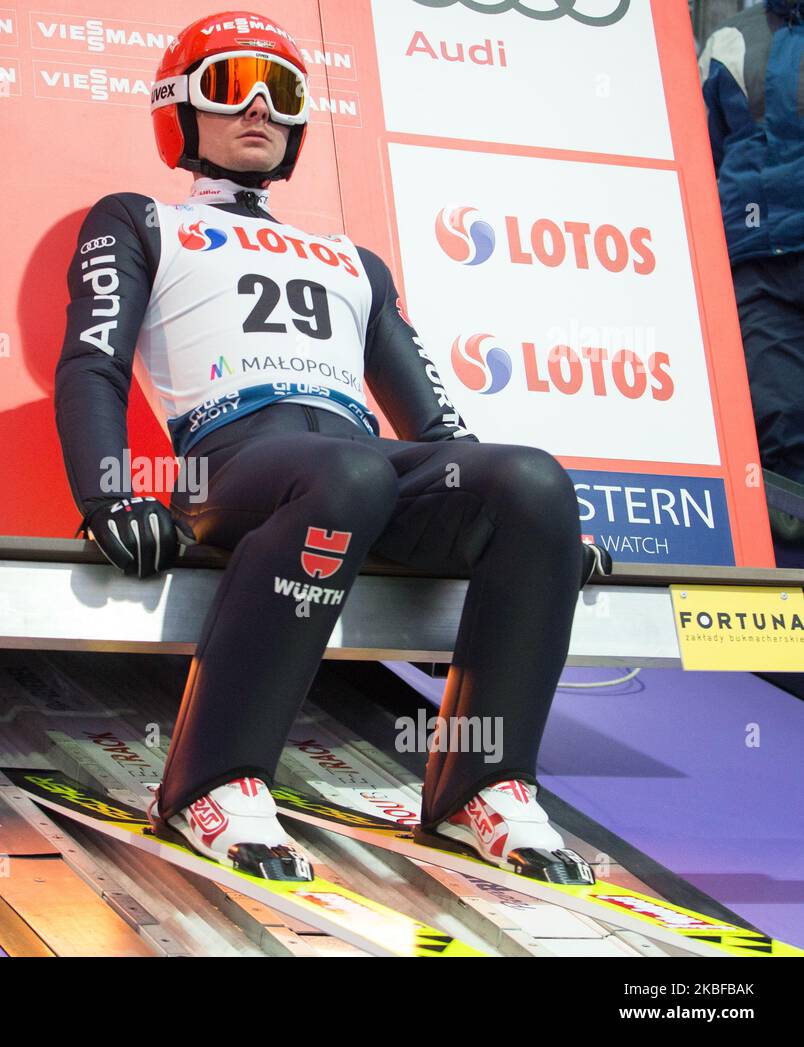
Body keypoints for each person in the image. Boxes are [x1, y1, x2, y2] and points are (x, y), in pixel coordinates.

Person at [54, 10, 608, 883]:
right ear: (179, 107)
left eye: (283, 93)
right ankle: (214, 779)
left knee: (534, 482)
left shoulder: (352, 258)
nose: (259, 110)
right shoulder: (137, 218)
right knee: (346, 471)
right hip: (229, 460)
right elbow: (93, 363)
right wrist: (108, 493)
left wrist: (537, 531)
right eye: (232, 85)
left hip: (359, 472)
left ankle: (482, 787)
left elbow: (436, 431)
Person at [700, 2, 804, 529]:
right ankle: (791, 577)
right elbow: (697, 150)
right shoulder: (728, 39)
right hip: (757, 260)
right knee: (780, 420)